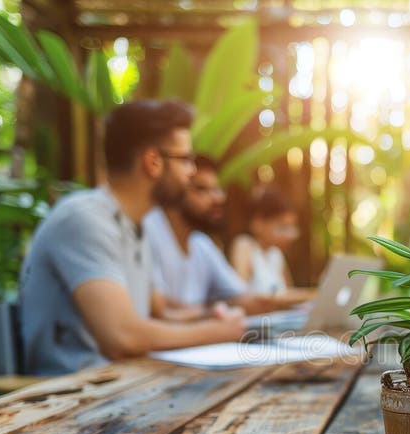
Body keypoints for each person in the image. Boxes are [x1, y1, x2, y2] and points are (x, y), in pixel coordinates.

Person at [18, 100, 245, 375]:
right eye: (185, 159)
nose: (192, 171)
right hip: (70, 398)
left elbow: (160, 311)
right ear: (153, 162)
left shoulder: (137, 226)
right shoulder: (84, 219)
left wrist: (208, 316)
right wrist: (216, 332)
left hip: (120, 385)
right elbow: (122, 338)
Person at [143, 156, 302, 315]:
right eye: (202, 189)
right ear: (174, 190)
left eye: (218, 189)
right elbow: (160, 310)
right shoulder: (148, 230)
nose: (218, 198)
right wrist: (212, 313)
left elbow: (242, 298)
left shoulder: (202, 246)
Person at [230, 186, 305, 296]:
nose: (288, 235)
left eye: (291, 228)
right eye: (282, 227)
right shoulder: (244, 246)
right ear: (258, 224)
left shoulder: (276, 253)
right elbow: (241, 297)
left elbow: (289, 292)